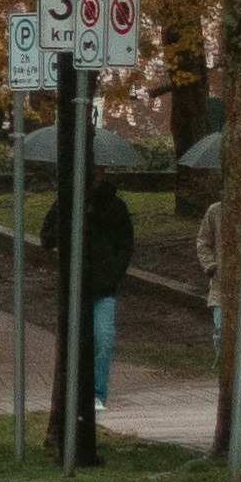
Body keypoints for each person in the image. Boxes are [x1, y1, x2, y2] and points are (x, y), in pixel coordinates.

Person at [75, 165, 135, 411]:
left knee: (104, 338)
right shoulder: (72, 202)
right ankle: (78, 393)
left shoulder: (115, 207)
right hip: (77, 287)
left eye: (98, 172)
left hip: (104, 287)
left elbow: (126, 244)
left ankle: (97, 393)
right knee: (79, 343)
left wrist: (114, 271)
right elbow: (48, 234)